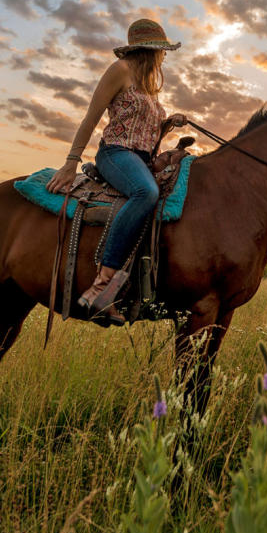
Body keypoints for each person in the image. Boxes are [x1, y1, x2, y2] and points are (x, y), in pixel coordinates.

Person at [46, 18, 187, 323]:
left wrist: (167, 122)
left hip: (141, 158)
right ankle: (99, 289)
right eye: (162, 51)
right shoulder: (120, 70)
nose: (164, 57)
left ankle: (145, 287)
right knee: (145, 192)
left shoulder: (148, 85)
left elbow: (142, 129)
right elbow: (91, 117)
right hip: (115, 153)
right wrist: (71, 162)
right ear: (150, 50)